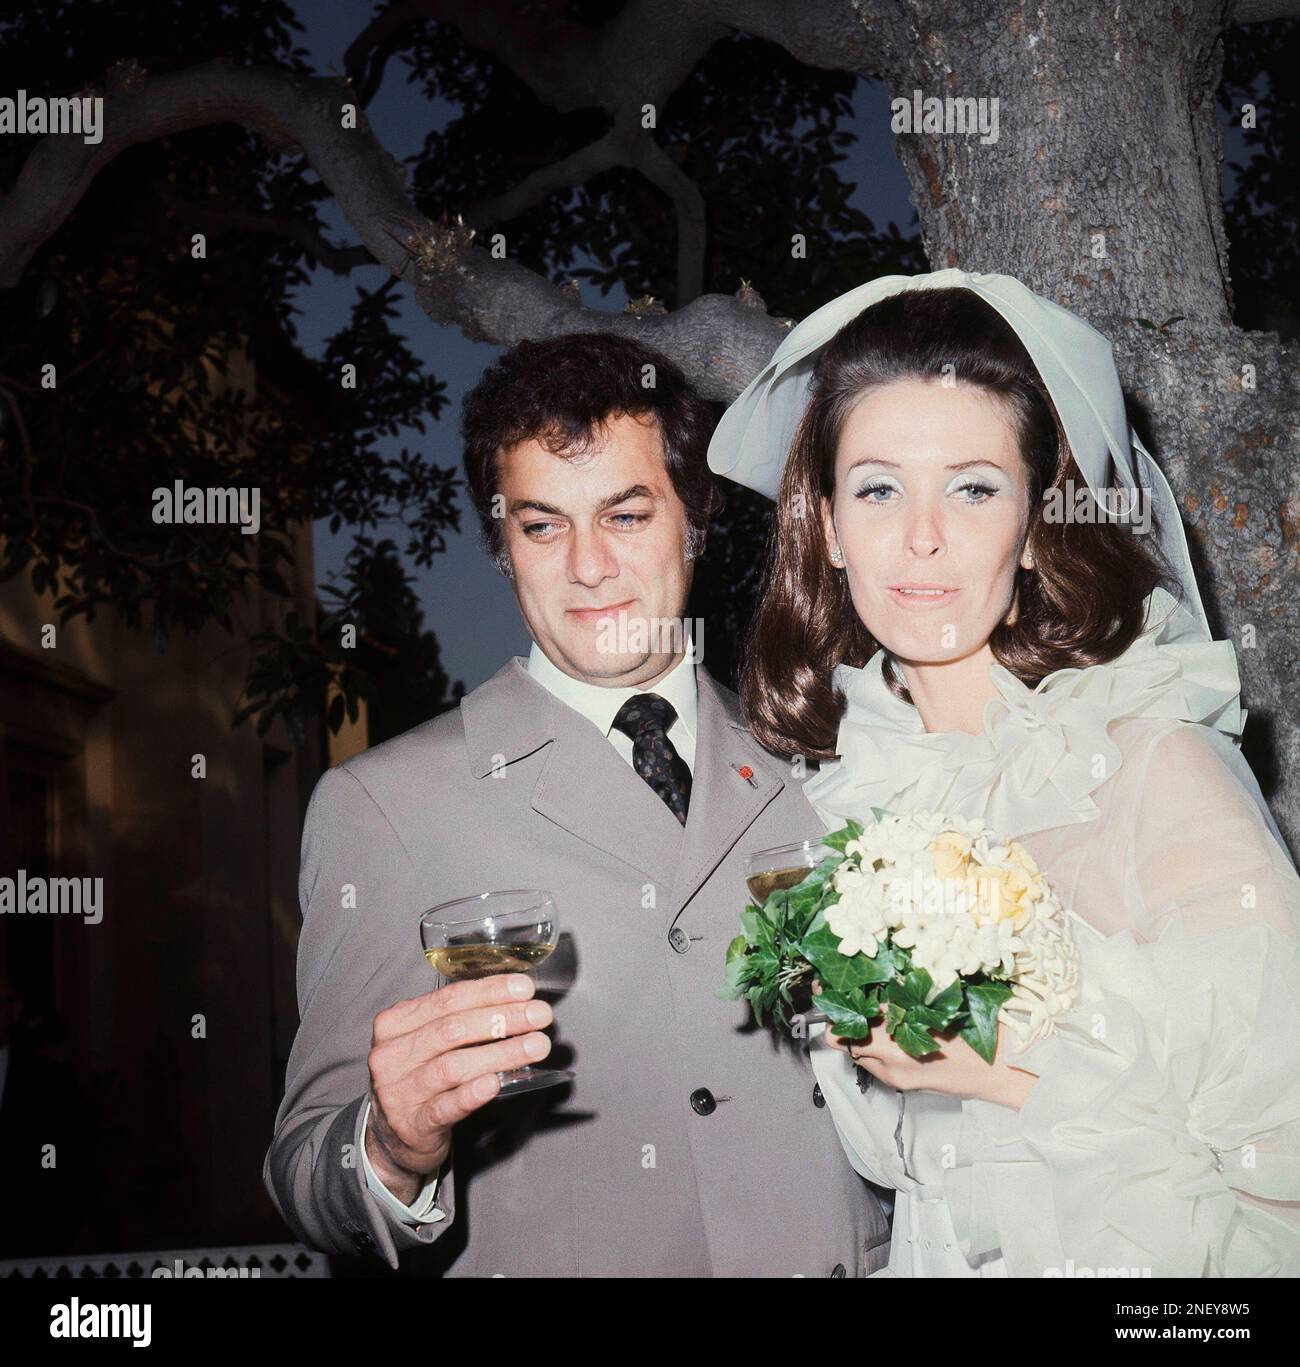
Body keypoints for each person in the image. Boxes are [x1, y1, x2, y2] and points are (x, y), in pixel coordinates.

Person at [708, 268, 1300, 1277]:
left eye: (973, 486)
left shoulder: (1155, 774)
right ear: (829, 526)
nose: (922, 534)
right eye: (879, 486)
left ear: (1033, 526)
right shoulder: (857, 799)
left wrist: (1011, 1075)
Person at [262, 332, 891, 1276]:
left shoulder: (826, 761)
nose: (588, 566)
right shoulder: (383, 803)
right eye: (543, 525)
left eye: (627, 515)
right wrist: (393, 1144)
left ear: (697, 520)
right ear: (503, 544)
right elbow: (307, 1174)